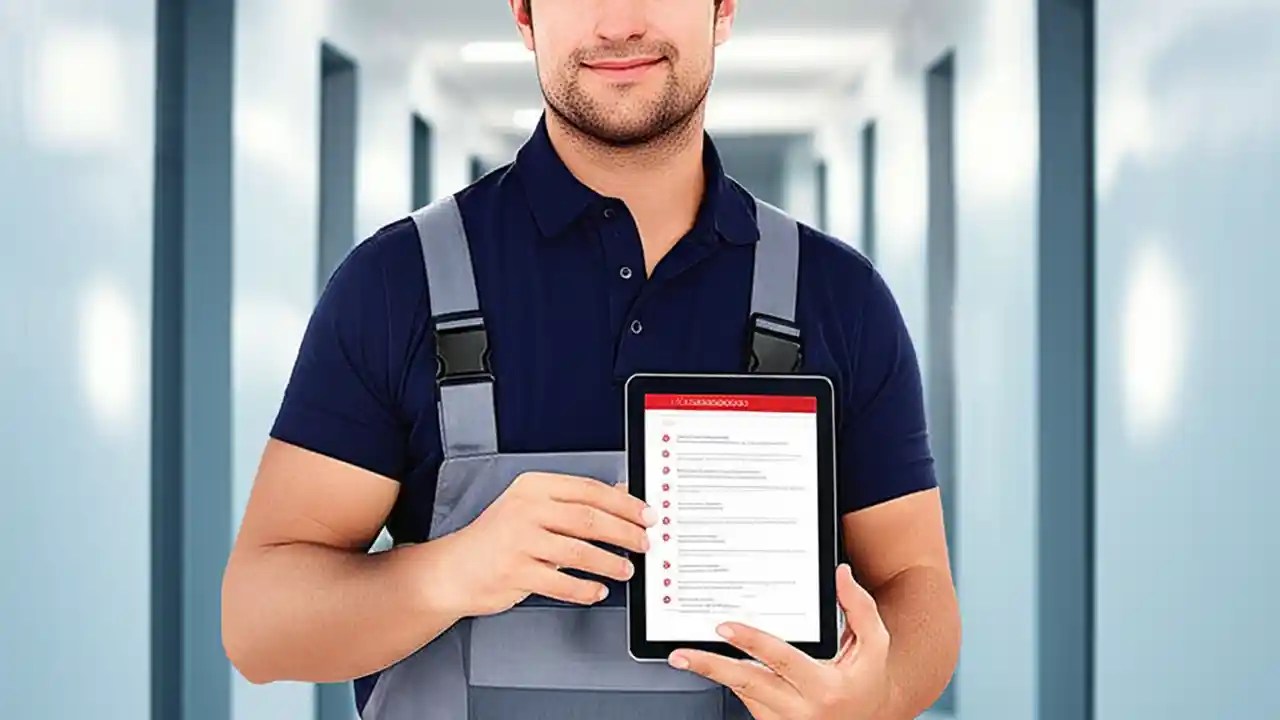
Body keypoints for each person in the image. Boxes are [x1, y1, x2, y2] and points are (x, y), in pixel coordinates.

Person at [221, 0, 960, 718]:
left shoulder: (839, 296)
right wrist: (448, 573)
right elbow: (259, 627)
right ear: (524, 13)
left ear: (723, 7)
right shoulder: (396, 283)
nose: (618, 22)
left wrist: (879, 694)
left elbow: (916, 584)